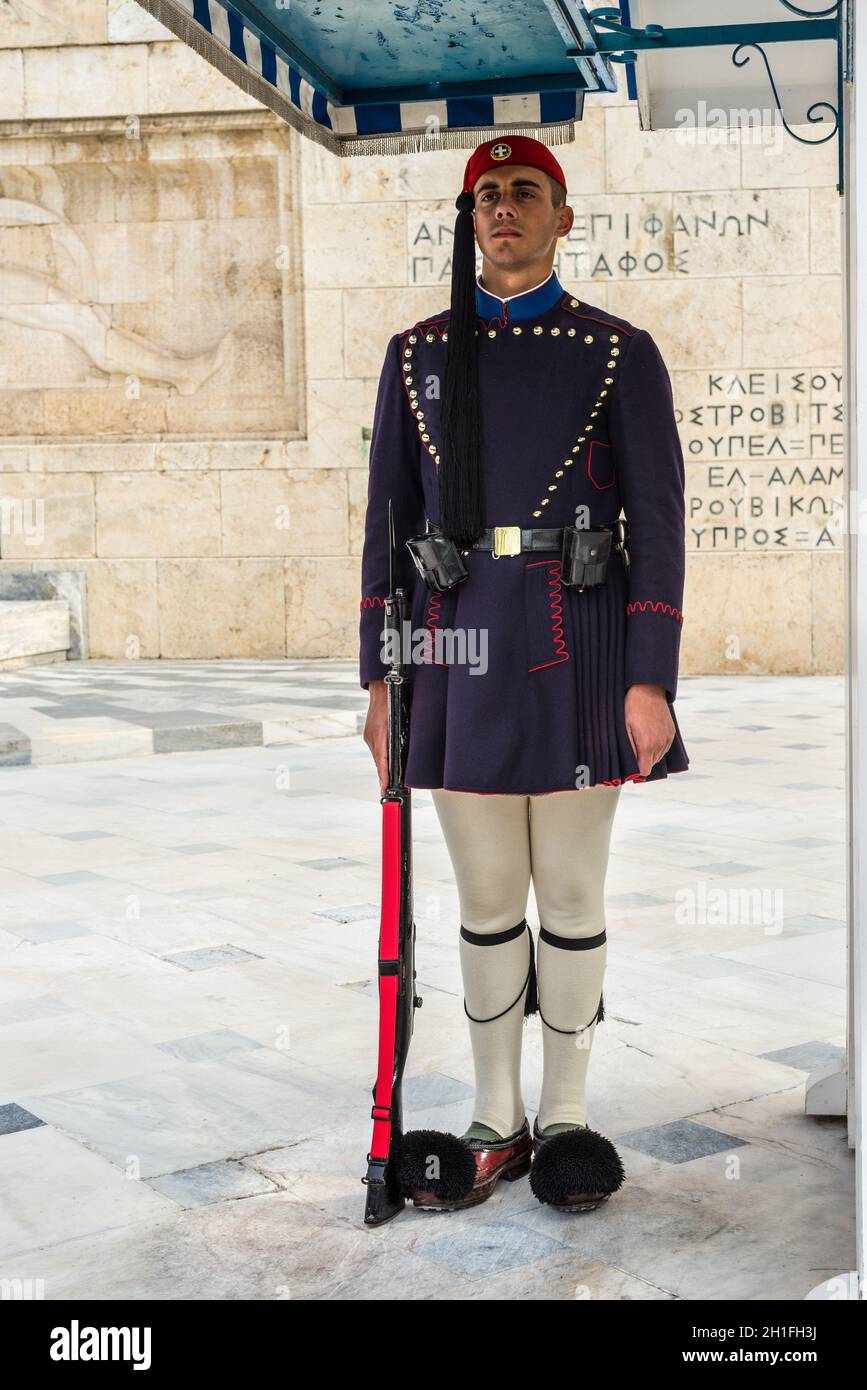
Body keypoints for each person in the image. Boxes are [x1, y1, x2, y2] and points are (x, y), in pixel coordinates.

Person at [359, 134, 689, 1212]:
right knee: (488, 896)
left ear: (563, 218)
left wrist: (653, 677)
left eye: (525, 194)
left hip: (581, 645)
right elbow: (386, 530)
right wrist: (379, 679)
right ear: (470, 219)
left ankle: (568, 1114)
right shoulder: (415, 355)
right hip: (456, 653)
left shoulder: (615, 351)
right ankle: (494, 1115)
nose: (504, 208)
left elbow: (661, 523)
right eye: (488, 195)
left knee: (577, 890)